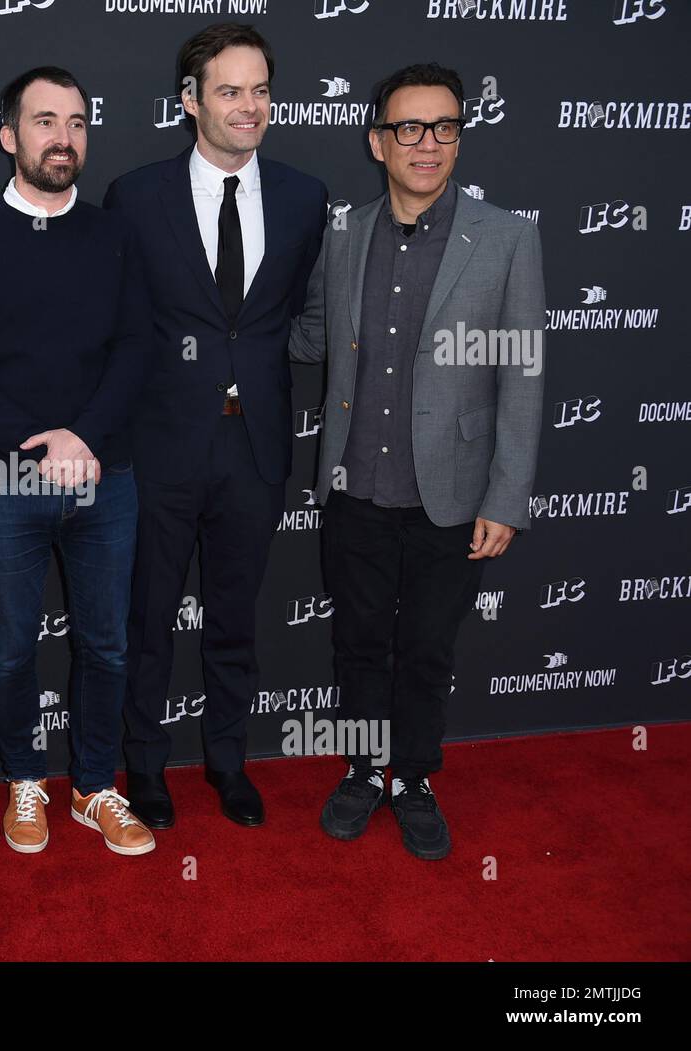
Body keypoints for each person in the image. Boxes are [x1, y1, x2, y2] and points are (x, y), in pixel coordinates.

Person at [289, 63, 545, 860]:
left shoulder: (506, 238)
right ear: (378, 141)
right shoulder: (344, 235)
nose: (427, 144)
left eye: (444, 128)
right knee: (360, 643)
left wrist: (507, 497)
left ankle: (416, 777)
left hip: (455, 494)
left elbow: (522, 374)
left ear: (459, 138)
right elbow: (311, 338)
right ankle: (366, 769)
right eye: (409, 128)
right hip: (357, 487)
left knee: (428, 648)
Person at [0, 67, 154, 856]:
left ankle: (93, 786)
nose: (64, 138)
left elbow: (135, 348)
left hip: (104, 470)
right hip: (5, 475)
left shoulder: (115, 234)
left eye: (78, 123)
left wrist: (82, 438)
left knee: (106, 644)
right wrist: (37, 441)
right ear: (8, 136)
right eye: (46, 121)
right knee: (13, 643)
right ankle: (25, 776)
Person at [106, 24, 327, 829]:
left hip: (256, 445)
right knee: (149, 620)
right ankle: (146, 767)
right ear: (190, 100)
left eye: (261, 89)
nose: (249, 106)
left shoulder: (306, 196)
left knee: (236, 618)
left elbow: (301, 315)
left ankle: (229, 761)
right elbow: (117, 325)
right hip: (160, 446)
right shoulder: (136, 196)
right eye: (230, 90)